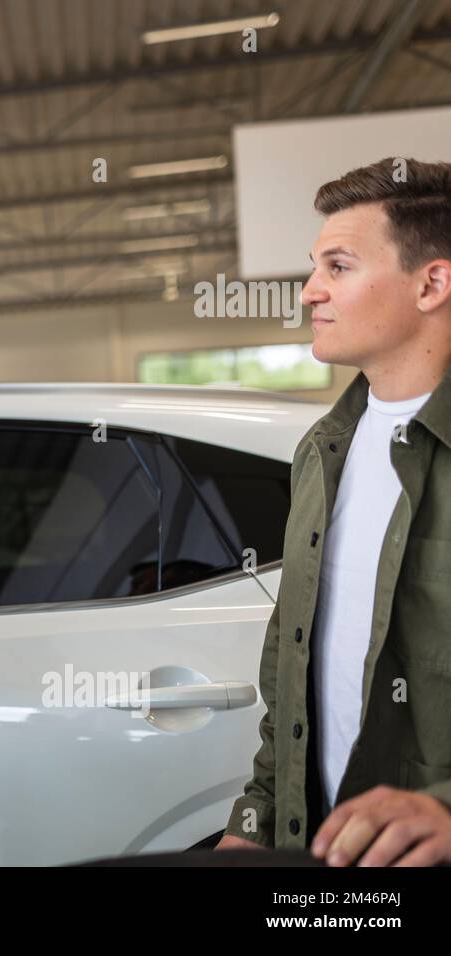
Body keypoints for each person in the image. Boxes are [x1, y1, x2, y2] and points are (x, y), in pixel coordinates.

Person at [217, 158, 451, 866]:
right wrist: (255, 822)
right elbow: (292, 676)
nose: (310, 291)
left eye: (339, 266)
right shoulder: (322, 454)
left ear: (432, 283)